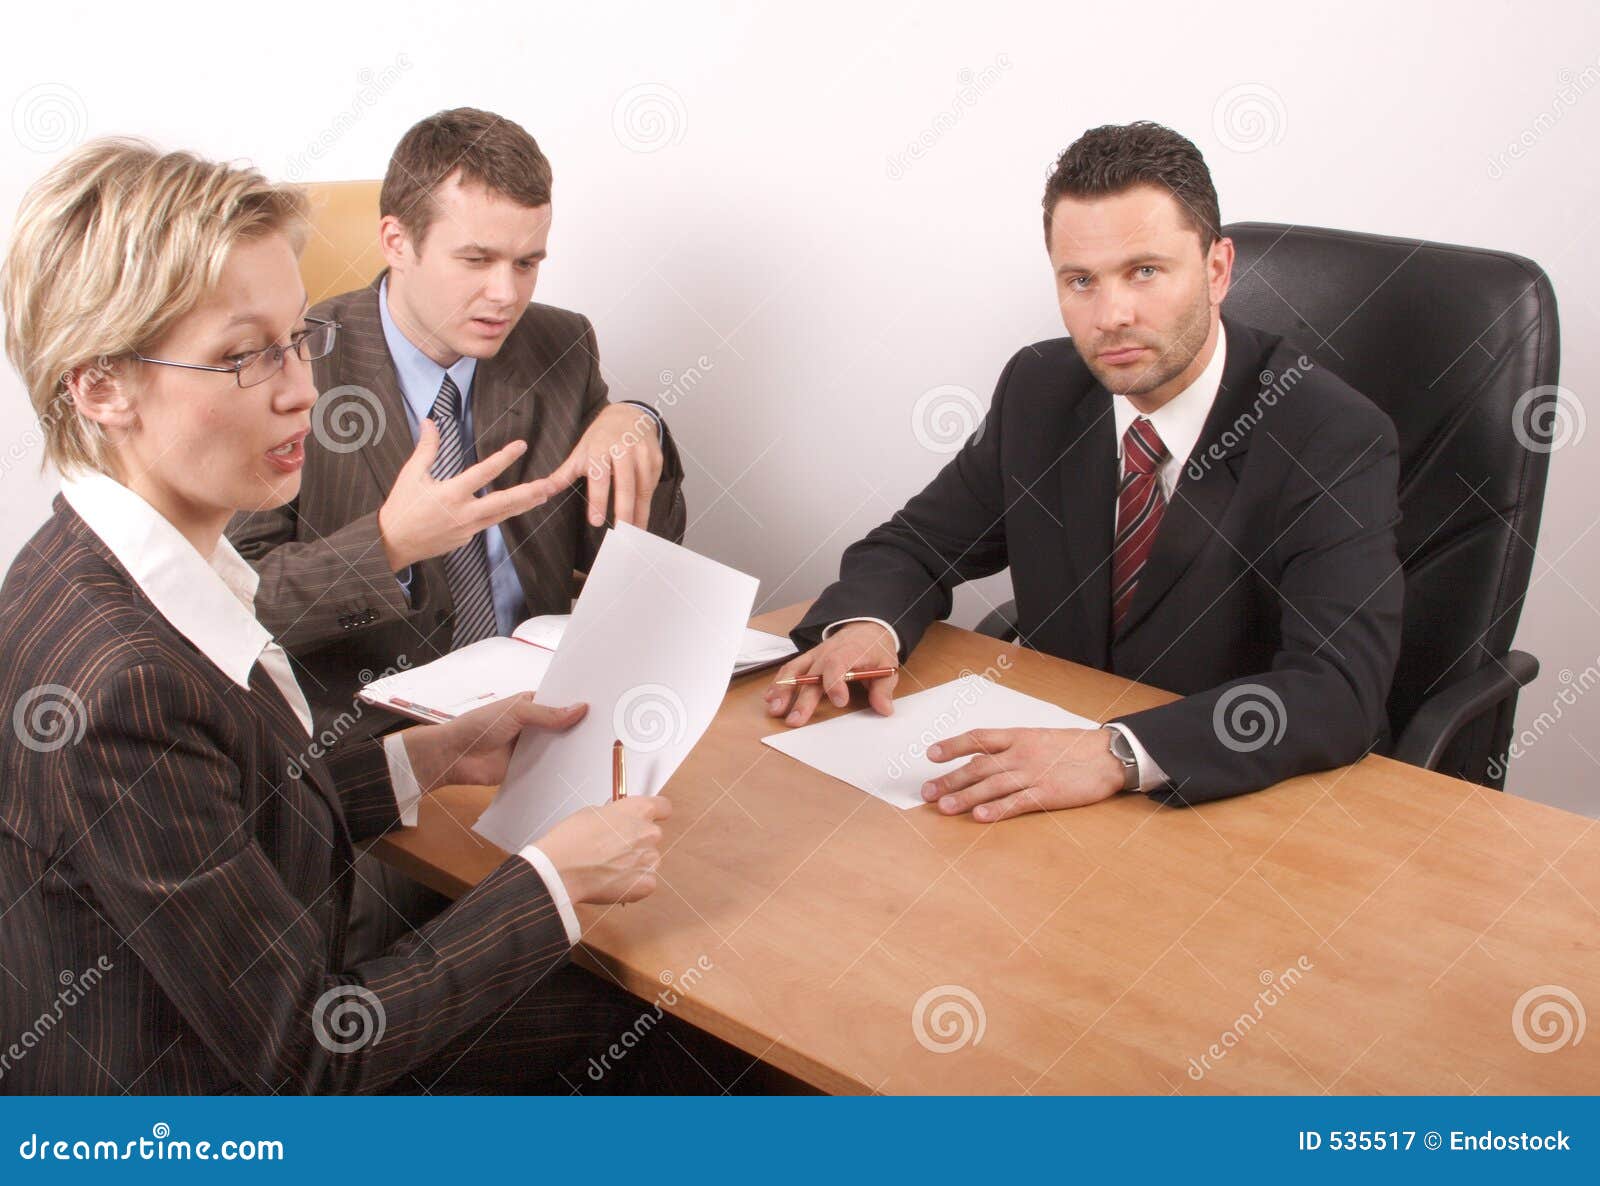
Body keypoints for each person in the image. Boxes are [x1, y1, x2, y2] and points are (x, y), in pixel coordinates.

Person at [0, 140, 691, 1094]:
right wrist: (551, 887)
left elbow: (222, 815)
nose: (301, 391)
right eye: (243, 357)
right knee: (670, 1046)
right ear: (100, 386)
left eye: (296, 341)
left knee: (637, 1025)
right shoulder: (119, 684)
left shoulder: (90, 562)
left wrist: (425, 758)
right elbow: (309, 1052)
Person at [767, 121, 1403, 817]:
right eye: (1081, 282)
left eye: (1145, 272)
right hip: (1046, 787)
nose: (1112, 316)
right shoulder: (1042, 387)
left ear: (1217, 269)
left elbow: (1337, 689)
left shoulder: (1328, 432)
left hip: (1228, 807)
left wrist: (1116, 753)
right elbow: (915, 546)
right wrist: (868, 628)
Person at [228, 107, 686, 739]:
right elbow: (236, 603)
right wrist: (390, 544)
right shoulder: (295, 363)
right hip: (374, 739)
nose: (506, 294)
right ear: (396, 243)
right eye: (476, 260)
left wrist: (636, 425)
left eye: (527, 263)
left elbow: (632, 561)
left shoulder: (560, 342)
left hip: (549, 714)